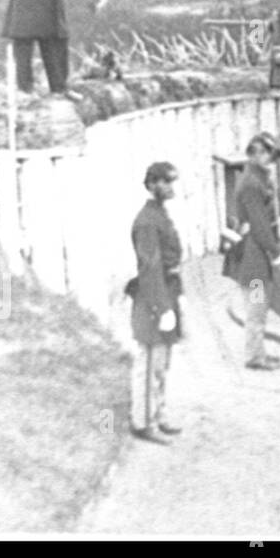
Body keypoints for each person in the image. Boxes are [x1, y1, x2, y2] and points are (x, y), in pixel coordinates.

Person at [127, 161, 184, 445]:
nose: (170, 187)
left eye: (172, 182)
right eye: (164, 182)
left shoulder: (159, 214)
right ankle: (143, 422)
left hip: (166, 294)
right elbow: (150, 268)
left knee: (161, 365)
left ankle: (157, 414)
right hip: (152, 301)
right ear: (151, 185)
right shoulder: (148, 221)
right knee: (149, 364)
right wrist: (162, 308)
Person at [230, 133, 280, 370]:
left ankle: (258, 352)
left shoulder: (256, 178)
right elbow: (260, 224)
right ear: (253, 154)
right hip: (254, 261)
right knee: (256, 308)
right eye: (263, 153)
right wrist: (275, 253)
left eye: (269, 154)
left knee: (260, 308)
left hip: (256, 255)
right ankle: (254, 356)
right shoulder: (252, 184)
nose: (268, 159)